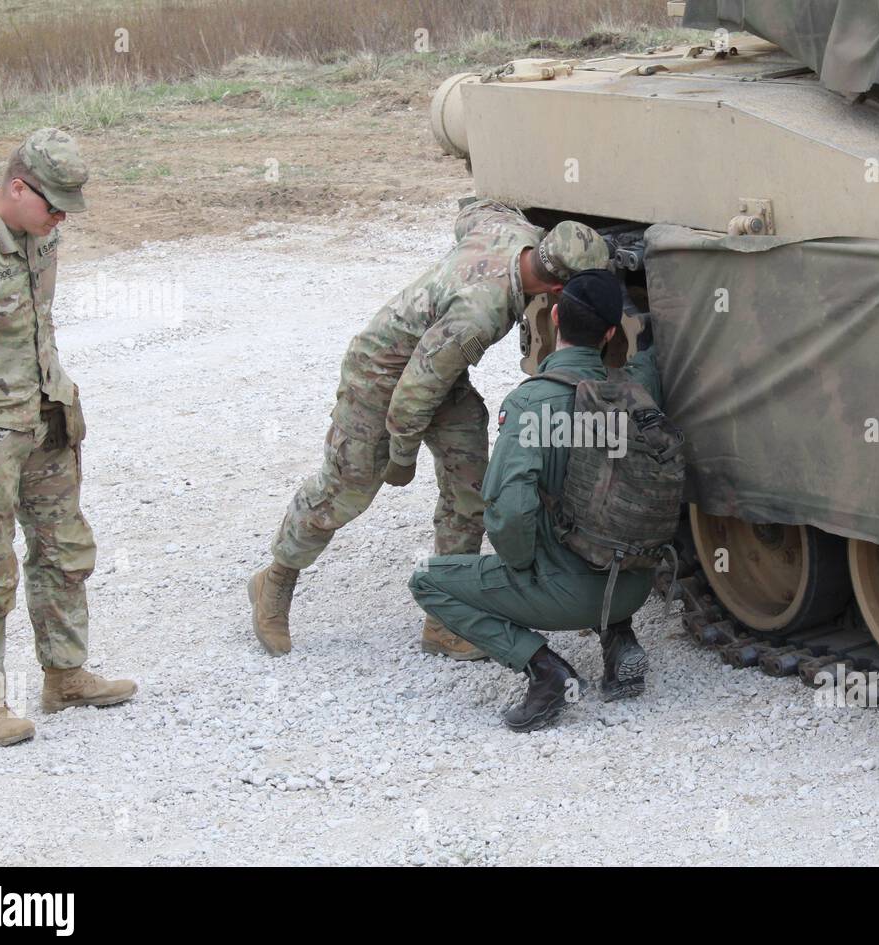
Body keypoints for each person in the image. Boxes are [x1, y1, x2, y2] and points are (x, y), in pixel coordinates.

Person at [248, 200, 609, 660]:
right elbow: (413, 393)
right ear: (558, 289)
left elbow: (471, 212)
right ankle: (274, 581)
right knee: (348, 486)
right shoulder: (481, 313)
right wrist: (401, 458)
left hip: (436, 371)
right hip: (380, 373)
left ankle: (445, 620)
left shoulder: (509, 229)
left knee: (471, 487)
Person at [0, 128, 136, 747]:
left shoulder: (40, 235)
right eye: (53, 202)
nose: (62, 215)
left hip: (43, 425)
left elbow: (37, 327)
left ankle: (65, 676)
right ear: (16, 188)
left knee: (64, 552)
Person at [410, 269, 659, 731]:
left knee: (427, 581)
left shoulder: (533, 403)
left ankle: (546, 672)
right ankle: (620, 641)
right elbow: (645, 357)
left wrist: (523, 569)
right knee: (606, 512)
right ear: (609, 334)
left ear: (555, 318)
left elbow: (508, 510)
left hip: (565, 595)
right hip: (633, 585)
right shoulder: (638, 393)